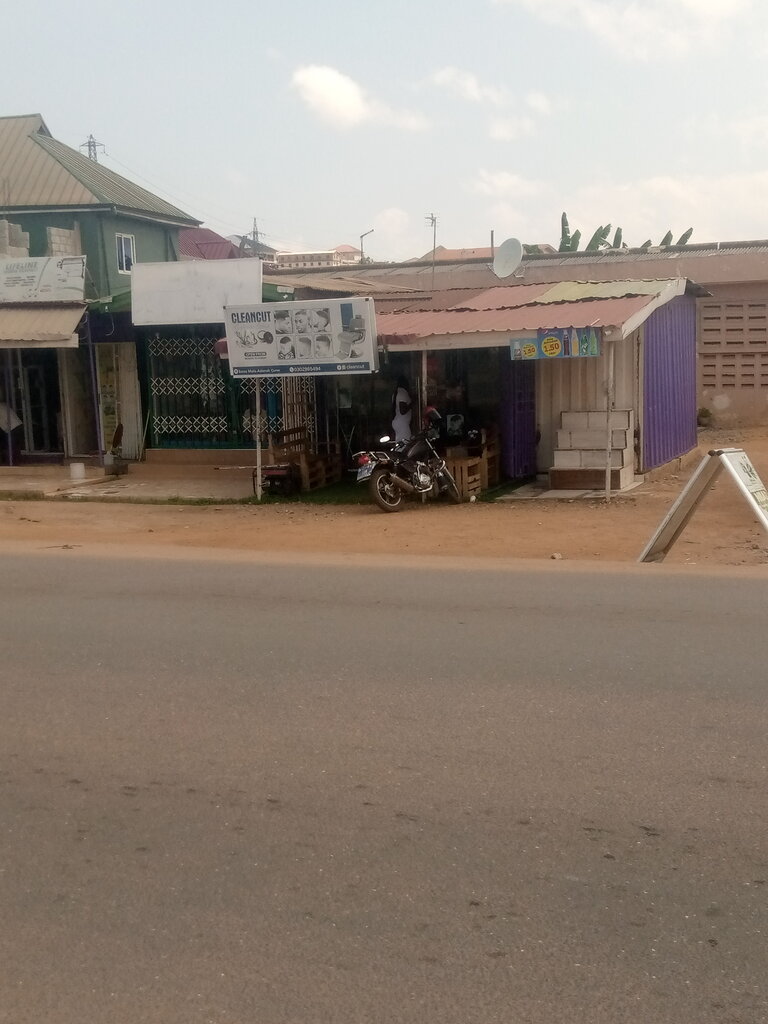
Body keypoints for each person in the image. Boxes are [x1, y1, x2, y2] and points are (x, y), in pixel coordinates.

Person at [391, 376, 413, 441]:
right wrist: (412, 403)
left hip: (398, 422)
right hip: (402, 424)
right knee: (405, 444)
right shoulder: (402, 392)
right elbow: (402, 411)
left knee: (400, 443)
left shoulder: (396, 393)